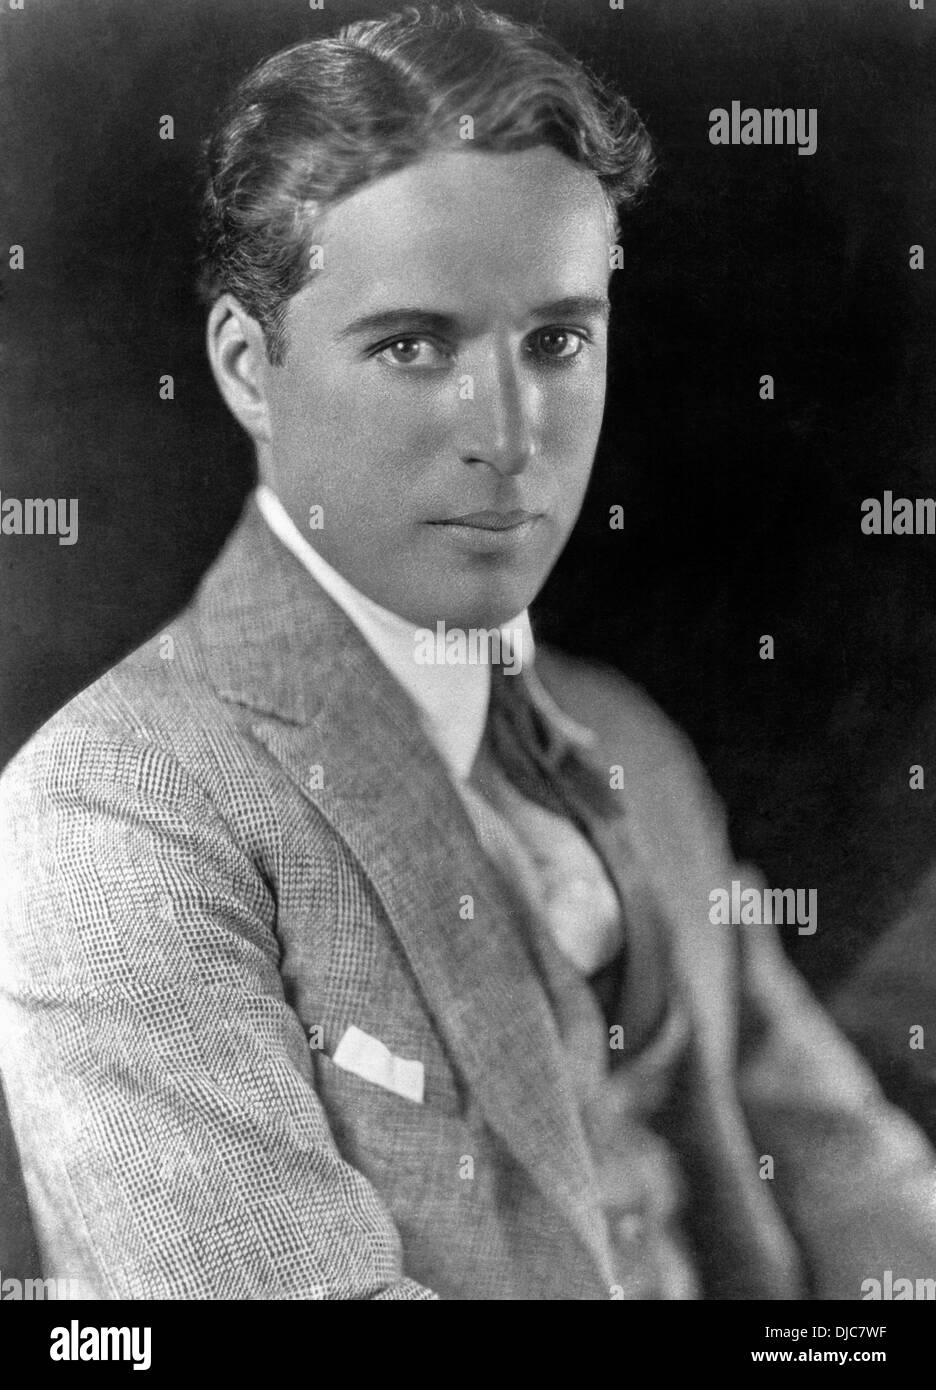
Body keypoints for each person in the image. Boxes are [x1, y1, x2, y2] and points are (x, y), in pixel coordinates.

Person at [1, 2, 934, 1301]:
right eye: (412, 344)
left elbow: (845, 1166)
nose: (506, 431)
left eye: (555, 341)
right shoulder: (111, 807)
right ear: (247, 366)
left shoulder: (630, 744)